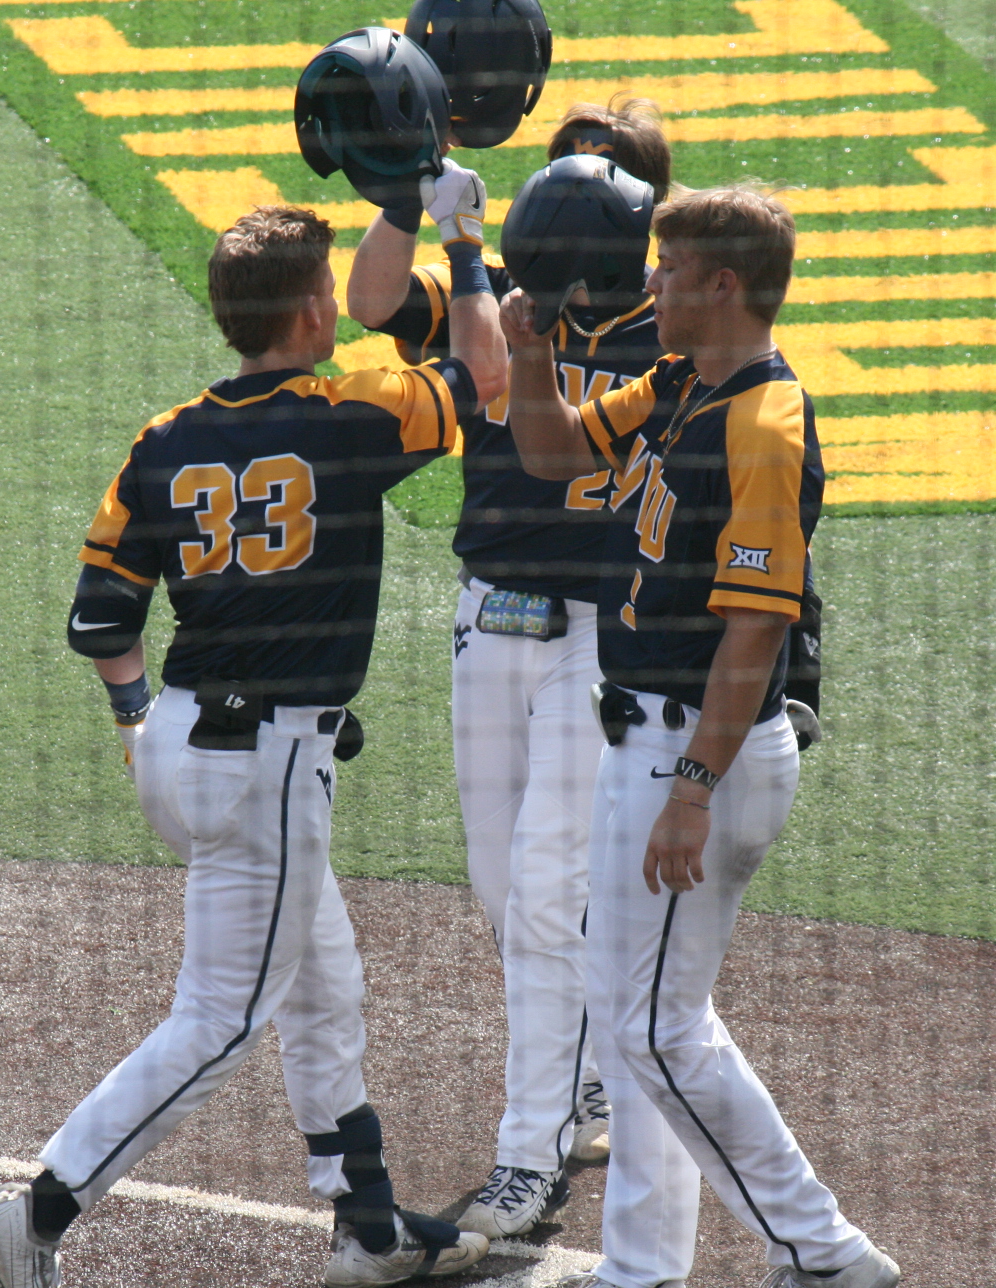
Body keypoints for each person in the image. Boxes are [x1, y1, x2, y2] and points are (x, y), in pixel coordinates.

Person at [0, 193, 508, 1288]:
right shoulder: (352, 411)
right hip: (267, 768)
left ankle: (368, 1227)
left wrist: (132, 720)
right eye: (330, 295)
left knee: (322, 977)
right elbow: (485, 375)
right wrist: (462, 240)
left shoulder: (165, 439)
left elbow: (103, 619)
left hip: (174, 742)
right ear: (310, 313)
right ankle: (40, 1211)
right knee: (219, 1018)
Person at [499, 183, 901, 1288]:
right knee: (638, 1021)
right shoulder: (681, 383)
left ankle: (822, 1251)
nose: (651, 284)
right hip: (650, 747)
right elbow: (552, 454)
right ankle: (647, 1269)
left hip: (695, 758)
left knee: (656, 1030)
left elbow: (756, 628)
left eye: (670, 270)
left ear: (723, 285)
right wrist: (528, 356)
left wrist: (689, 790)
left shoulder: (764, 423)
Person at [344, 97, 674, 1240]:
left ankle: (527, 1158)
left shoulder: (670, 330)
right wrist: (411, 206)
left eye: (595, 177)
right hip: (489, 619)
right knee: (501, 889)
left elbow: (492, 384)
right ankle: (584, 1072)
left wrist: (474, 257)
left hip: (599, 636)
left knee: (542, 889)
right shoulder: (504, 293)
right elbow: (372, 302)